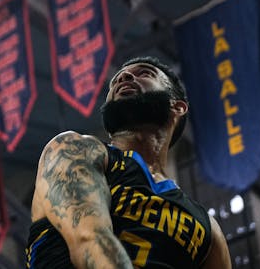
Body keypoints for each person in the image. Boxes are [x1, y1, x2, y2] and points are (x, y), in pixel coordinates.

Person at [26, 57, 232, 268]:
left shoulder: (207, 228)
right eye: (115, 81)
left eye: (144, 74)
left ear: (177, 107)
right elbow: (88, 239)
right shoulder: (75, 150)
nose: (124, 77)